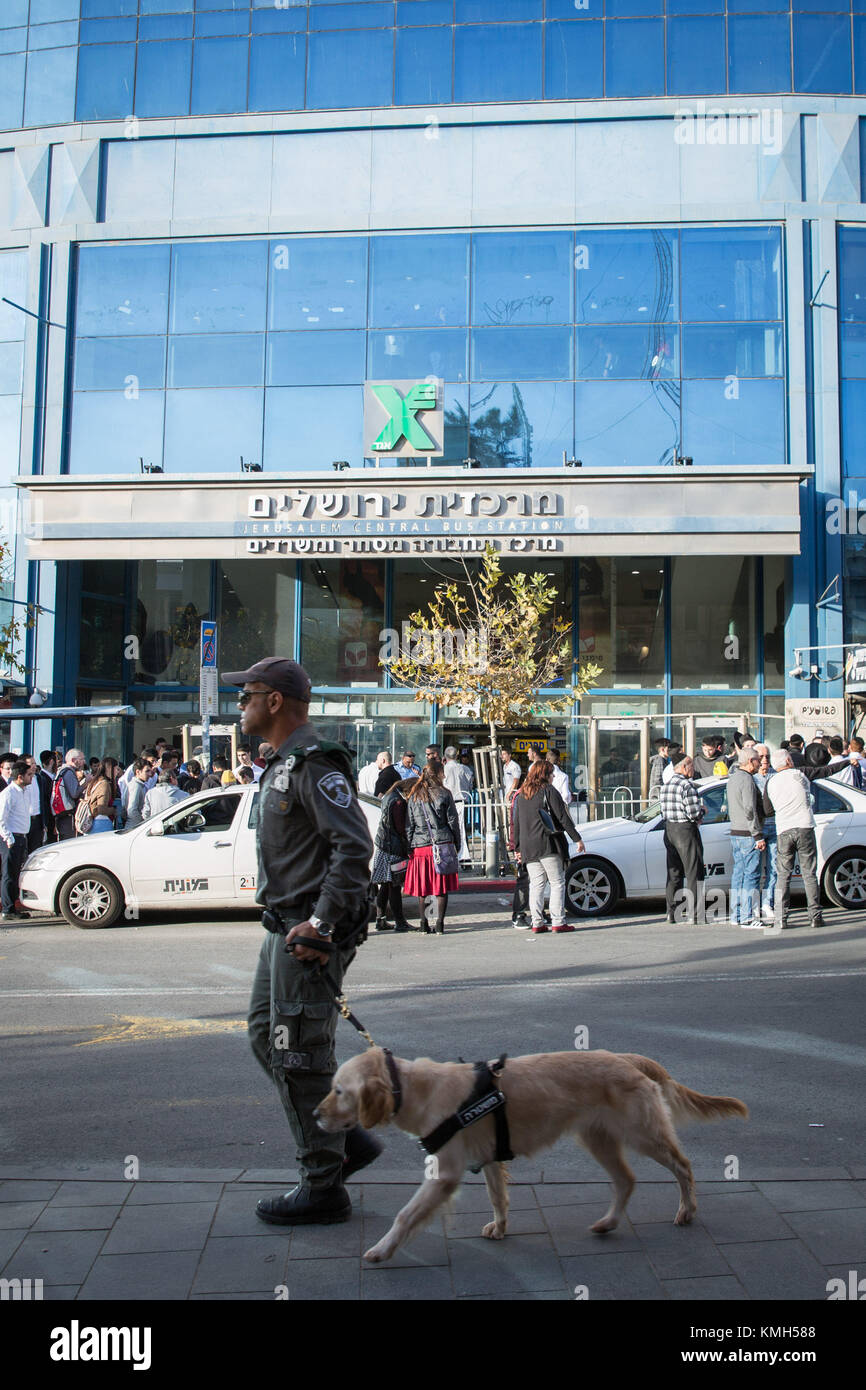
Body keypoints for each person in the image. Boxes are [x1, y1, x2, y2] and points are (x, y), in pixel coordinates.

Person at [222, 655, 381, 1227]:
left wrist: (324, 926)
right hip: (281, 928)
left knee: (298, 1052)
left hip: (308, 933)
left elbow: (354, 850)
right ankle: (347, 1142)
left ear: (274, 701)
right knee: (266, 1037)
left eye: (248, 694)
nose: (240, 704)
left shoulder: (314, 765)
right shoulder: (280, 763)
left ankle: (323, 1184)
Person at [512, 759, 583, 933]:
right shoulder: (549, 791)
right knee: (557, 882)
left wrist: (518, 848)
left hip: (529, 846)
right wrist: (577, 838)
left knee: (536, 885)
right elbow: (562, 818)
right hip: (548, 843)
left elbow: (517, 823)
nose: (552, 777)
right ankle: (558, 921)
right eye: (550, 773)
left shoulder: (522, 794)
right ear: (544, 775)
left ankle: (537, 922)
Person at [762, 750, 823, 930]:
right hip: (804, 826)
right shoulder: (800, 773)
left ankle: (781, 918)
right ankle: (815, 917)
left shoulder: (770, 782)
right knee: (809, 873)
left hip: (784, 829)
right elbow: (826, 771)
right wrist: (848, 763)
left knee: (783, 875)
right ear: (789, 760)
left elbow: (767, 810)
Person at [404, 760, 461, 934]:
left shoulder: (414, 795)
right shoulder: (444, 793)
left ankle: (423, 923)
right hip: (442, 844)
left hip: (420, 848)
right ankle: (440, 924)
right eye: (442, 772)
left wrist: (409, 845)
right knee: (440, 888)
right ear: (437, 774)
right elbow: (452, 821)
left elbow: (410, 825)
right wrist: (456, 843)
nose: (444, 775)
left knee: (424, 888)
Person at [659, 754, 706, 924]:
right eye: (692, 766)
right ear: (684, 767)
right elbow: (693, 813)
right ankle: (696, 913)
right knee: (694, 871)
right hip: (685, 830)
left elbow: (663, 811)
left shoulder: (666, 786)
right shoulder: (686, 786)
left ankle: (672, 912)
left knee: (674, 873)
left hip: (669, 828)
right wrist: (702, 811)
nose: (693, 769)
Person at [727, 747, 766, 928]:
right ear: (750, 761)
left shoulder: (733, 778)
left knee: (739, 875)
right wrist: (757, 835)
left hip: (735, 832)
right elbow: (750, 809)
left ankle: (736, 915)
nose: (761, 762)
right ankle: (747, 916)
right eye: (758, 759)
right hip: (748, 833)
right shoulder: (747, 780)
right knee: (751, 875)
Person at [371, 776, 415, 932]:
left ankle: (380, 919)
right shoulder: (398, 802)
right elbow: (401, 828)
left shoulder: (390, 795)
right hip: (393, 847)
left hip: (384, 845)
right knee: (394, 885)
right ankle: (400, 921)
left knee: (385, 884)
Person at [0, 760, 35, 920]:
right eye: (29, 775)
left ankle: (13, 906)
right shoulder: (8, 793)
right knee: (8, 873)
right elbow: (1, 819)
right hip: (11, 838)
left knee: (15, 873)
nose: (31, 777)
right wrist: (9, 838)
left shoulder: (23, 791)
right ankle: (7, 909)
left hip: (21, 836)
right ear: (20, 776)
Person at [753, 744, 778, 922]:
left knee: (774, 867)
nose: (765, 760)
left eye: (767, 756)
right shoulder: (750, 778)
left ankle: (767, 902)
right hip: (757, 828)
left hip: (776, 826)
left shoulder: (777, 776)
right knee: (753, 869)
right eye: (761, 756)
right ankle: (753, 905)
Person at [443, 745, 473, 865]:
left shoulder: (443, 769)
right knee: (462, 830)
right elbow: (471, 784)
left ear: (445, 757)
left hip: (447, 802)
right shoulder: (465, 769)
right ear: (457, 755)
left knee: (447, 829)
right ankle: (464, 857)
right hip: (462, 801)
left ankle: (450, 856)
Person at [52, 749, 86, 840]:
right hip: (67, 816)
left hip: (62, 815)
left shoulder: (62, 771)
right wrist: (86, 782)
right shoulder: (68, 772)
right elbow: (74, 793)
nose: (84, 762)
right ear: (74, 760)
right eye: (82, 759)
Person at [83, 759, 117, 833]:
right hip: (101, 823)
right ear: (109, 769)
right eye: (116, 769)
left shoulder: (94, 781)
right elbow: (101, 809)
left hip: (92, 822)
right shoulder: (104, 784)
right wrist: (114, 810)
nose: (117, 772)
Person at [123, 758, 152, 830]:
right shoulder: (136, 786)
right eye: (147, 771)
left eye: (150, 771)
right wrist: (143, 822)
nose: (150, 774)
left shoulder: (138, 785)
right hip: (134, 827)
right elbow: (132, 810)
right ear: (138, 772)